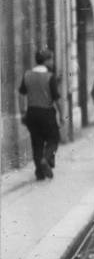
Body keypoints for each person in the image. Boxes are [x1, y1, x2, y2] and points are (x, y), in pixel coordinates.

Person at [18, 48, 63, 180]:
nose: (53, 62)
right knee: (54, 139)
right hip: (47, 113)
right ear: (46, 61)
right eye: (51, 59)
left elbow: (21, 94)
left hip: (31, 113)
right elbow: (57, 99)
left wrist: (22, 112)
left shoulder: (27, 75)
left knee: (36, 142)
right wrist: (62, 115)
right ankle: (46, 159)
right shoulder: (50, 77)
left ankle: (39, 173)